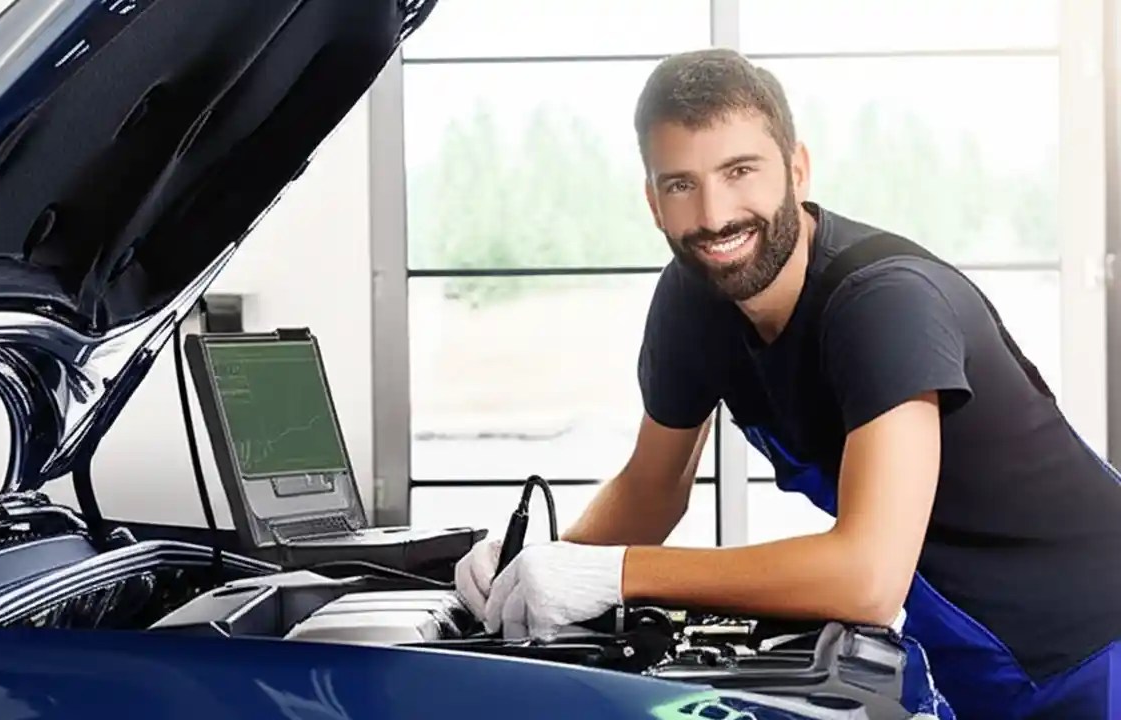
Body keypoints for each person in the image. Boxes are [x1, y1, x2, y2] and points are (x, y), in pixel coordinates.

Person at [452, 48, 1121, 719]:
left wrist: (610, 574)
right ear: (654, 202)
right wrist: (536, 567)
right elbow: (653, 489)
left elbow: (867, 577)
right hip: (973, 657)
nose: (715, 216)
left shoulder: (885, 304)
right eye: (682, 184)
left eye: (739, 171)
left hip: (1100, 648)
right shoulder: (695, 298)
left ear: (796, 170)